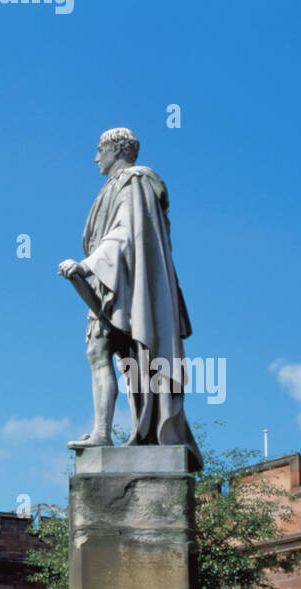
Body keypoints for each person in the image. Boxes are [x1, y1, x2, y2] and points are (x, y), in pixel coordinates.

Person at [58, 127, 202, 470]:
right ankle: (105, 433)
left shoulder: (135, 182)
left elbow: (126, 233)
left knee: (110, 354)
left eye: (99, 150)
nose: (95, 158)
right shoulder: (115, 186)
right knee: (112, 357)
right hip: (112, 281)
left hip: (129, 285)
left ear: (116, 149)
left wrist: (88, 264)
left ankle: (105, 434)